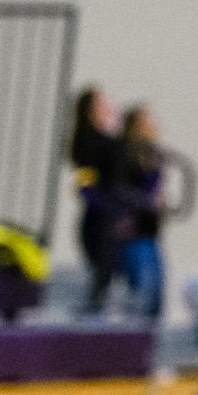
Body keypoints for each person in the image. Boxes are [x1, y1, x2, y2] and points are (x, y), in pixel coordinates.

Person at [68, 86, 125, 314]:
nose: (109, 107)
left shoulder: (107, 138)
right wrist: (111, 210)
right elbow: (84, 186)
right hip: (99, 218)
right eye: (102, 104)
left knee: (107, 275)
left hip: (108, 214)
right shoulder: (88, 141)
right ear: (91, 110)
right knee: (101, 274)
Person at [111, 105, 165, 320]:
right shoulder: (125, 155)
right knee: (142, 292)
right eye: (147, 122)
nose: (153, 126)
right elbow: (119, 190)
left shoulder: (151, 155)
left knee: (155, 294)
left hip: (149, 231)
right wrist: (146, 201)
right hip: (132, 232)